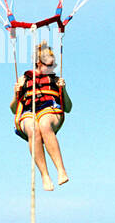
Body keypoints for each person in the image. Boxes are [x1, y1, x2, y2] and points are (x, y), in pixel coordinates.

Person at [11, 41, 72, 190]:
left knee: (44, 124)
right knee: (33, 128)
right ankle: (45, 175)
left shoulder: (56, 80)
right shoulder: (24, 80)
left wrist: (63, 90)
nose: (53, 68)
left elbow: (68, 108)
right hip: (28, 112)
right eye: (49, 65)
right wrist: (16, 93)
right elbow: (13, 109)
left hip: (50, 110)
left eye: (54, 65)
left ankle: (61, 170)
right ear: (39, 64)